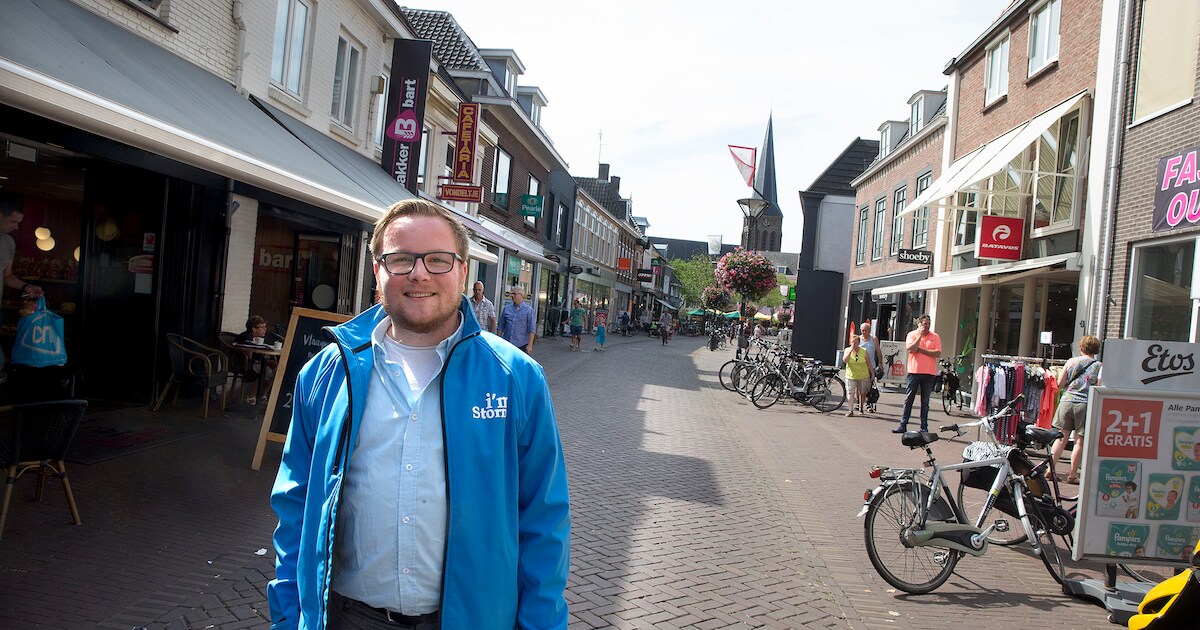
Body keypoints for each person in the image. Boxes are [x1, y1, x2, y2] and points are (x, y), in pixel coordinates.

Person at [268, 198, 570, 630]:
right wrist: (288, 614)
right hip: (348, 618)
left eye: (438, 260)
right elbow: (295, 504)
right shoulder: (325, 374)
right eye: (402, 259)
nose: (420, 272)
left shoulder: (517, 379)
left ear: (463, 271)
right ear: (378, 271)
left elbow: (543, 519)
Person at [1048, 334, 1101, 484]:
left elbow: (1060, 383)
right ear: (1096, 349)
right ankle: (1072, 475)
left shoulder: (1071, 362)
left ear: (1081, 347)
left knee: (1061, 438)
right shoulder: (1098, 366)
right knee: (1079, 441)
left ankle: (1049, 470)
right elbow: (1098, 386)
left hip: (1066, 402)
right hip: (1084, 404)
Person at [0, 199, 43, 383]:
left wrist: (27, 287)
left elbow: (7, 276)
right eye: (13, 221)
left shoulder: (8, 243)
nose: (16, 227)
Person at [894, 314, 941, 433]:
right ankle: (903, 425)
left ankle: (924, 427)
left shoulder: (935, 337)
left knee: (925, 401)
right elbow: (911, 349)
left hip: (929, 373)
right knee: (909, 399)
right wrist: (919, 337)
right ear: (919, 324)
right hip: (914, 372)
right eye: (925, 324)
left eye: (929, 324)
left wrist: (921, 350)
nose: (927, 326)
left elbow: (937, 353)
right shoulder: (912, 335)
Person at [235, 315, 282, 402]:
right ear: (254, 329)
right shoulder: (246, 337)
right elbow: (249, 357)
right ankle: (251, 396)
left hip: (257, 362)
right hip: (244, 363)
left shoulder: (261, 338)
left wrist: (269, 362)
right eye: (262, 327)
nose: (265, 329)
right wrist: (267, 363)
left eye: (265, 326)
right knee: (267, 371)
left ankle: (263, 394)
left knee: (278, 370)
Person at [497, 287, 536, 354]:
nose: (512, 296)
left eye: (515, 294)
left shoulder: (528, 310)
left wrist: (530, 345)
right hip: (507, 344)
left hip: (521, 345)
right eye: (512, 294)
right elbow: (501, 326)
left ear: (521, 295)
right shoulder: (507, 308)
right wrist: (497, 340)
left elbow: (531, 329)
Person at [843, 334, 871, 417]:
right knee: (850, 392)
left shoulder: (864, 351)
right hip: (851, 375)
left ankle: (861, 407)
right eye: (852, 342)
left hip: (863, 375)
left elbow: (869, 364)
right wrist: (850, 352)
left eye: (855, 343)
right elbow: (845, 360)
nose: (853, 344)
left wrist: (872, 374)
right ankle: (850, 410)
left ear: (859, 343)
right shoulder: (847, 350)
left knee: (862, 392)